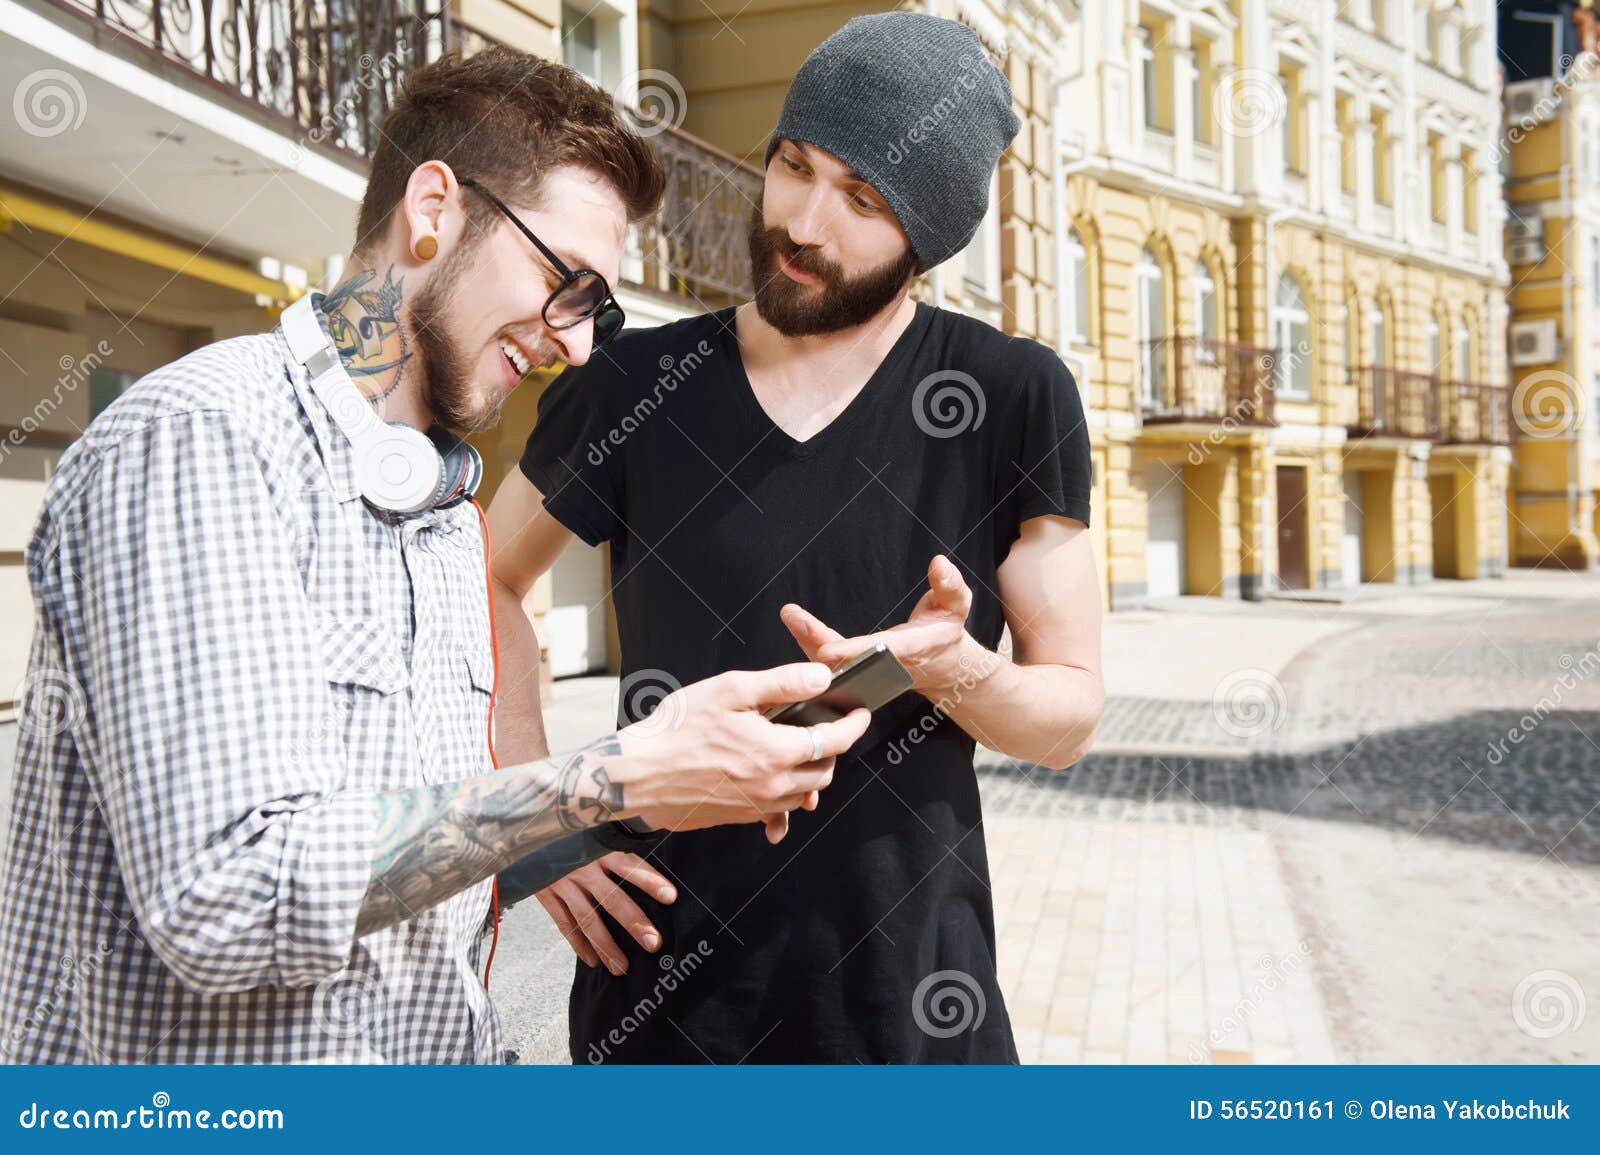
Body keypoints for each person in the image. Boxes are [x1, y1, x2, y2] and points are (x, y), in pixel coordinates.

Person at [0, 47, 868, 1065]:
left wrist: (584, 828)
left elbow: (418, 870)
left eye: (600, 309)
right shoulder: (203, 440)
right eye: (567, 284)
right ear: (433, 209)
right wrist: (607, 779)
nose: (579, 347)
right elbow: (224, 898)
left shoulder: (445, 507)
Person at [487, 13, 1104, 1064]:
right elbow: (485, 580)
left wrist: (954, 671)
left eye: (863, 200)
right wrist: (535, 820)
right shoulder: (634, 384)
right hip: (661, 1012)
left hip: (913, 1016)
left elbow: (1067, 717)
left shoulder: (1009, 394)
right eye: (793, 165)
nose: (803, 223)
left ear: (928, 235)